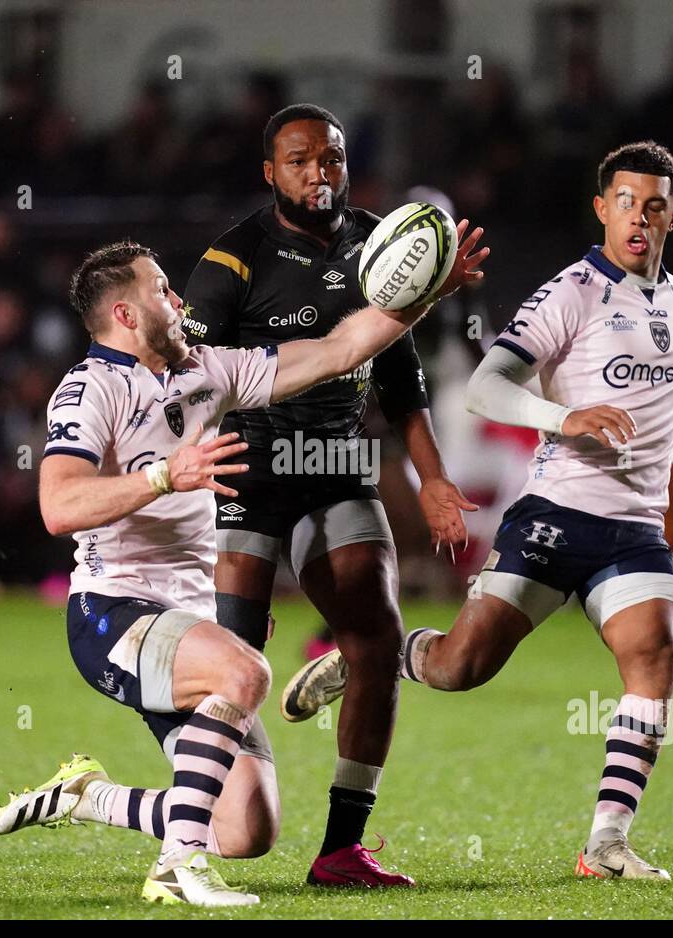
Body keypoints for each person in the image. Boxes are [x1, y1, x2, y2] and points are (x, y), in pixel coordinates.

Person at [0, 228, 486, 907]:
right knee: (245, 670)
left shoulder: (208, 370)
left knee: (247, 828)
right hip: (113, 613)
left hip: (187, 619)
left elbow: (340, 349)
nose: (178, 297)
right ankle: (174, 868)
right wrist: (166, 474)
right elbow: (58, 503)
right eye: (162, 288)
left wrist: (424, 290)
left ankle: (88, 796)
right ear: (127, 315)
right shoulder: (88, 390)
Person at [283, 141, 673, 881]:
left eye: (654, 206)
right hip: (555, 514)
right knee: (460, 669)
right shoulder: (572, 292)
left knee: (655, 656)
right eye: (624, 202)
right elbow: (486, 388)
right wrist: (565, 418)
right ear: (603, 208)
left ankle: (606, 841)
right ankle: (384, 654)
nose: (638, 218)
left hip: (635, 530)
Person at [180, 104, 479, 887]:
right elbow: (189, 381)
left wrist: (435, 478)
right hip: (245, 472)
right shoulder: (231, 260)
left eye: (334, 158)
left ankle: (342, 848)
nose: (321, 172)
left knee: (375, 636)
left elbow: (402, 383)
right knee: (233, 663)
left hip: (339, 467)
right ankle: (198, 824)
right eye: (302, 159)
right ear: (270, 172)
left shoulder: (382, 244)